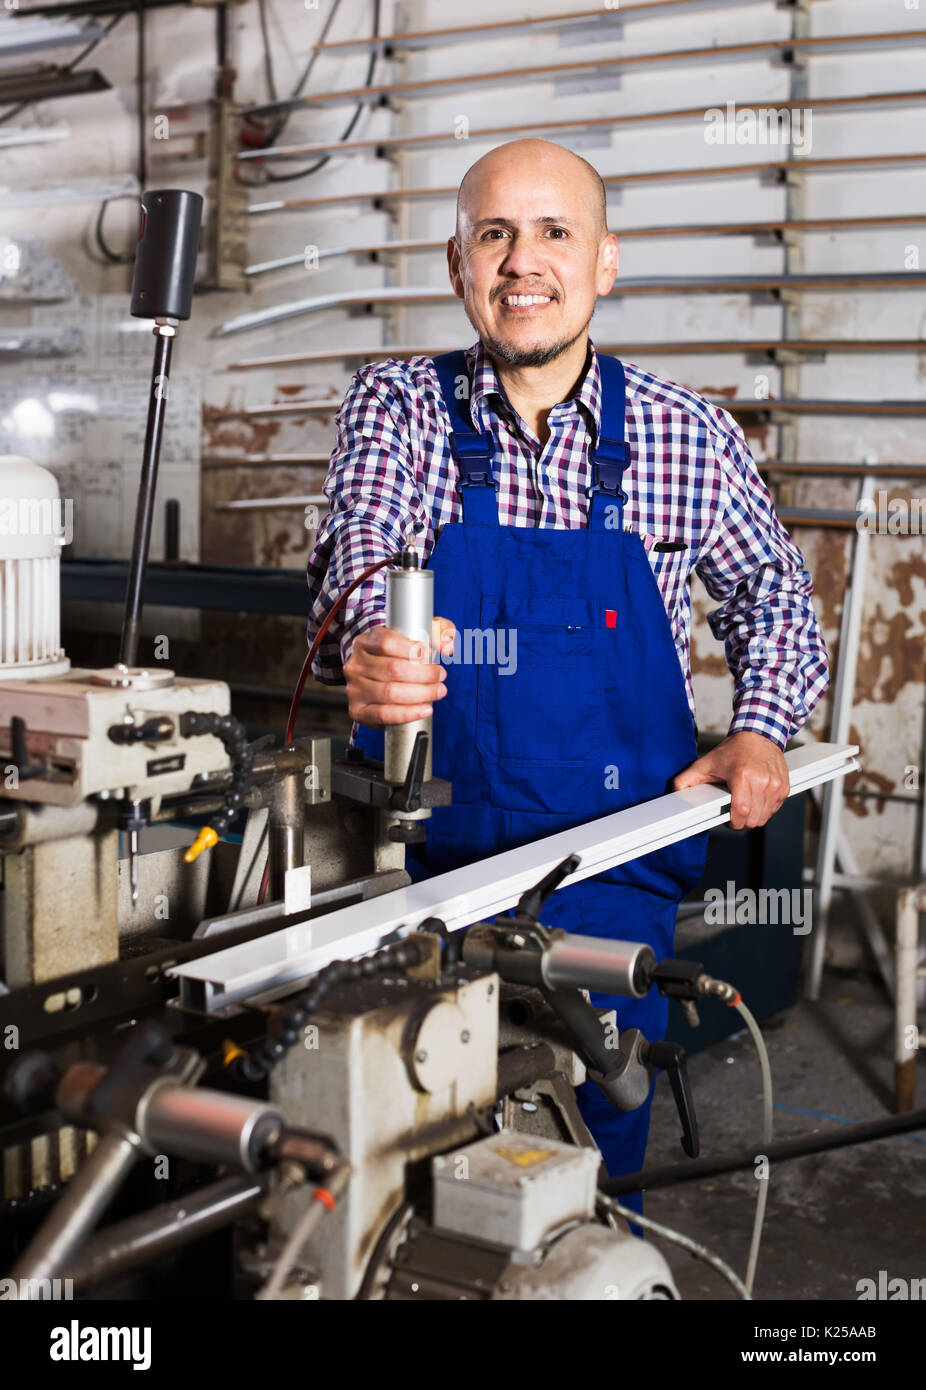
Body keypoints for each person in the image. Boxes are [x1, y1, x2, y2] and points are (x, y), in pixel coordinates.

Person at [306, 138, 829, 1195]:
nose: (520, 261)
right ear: (456, 265)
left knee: (587, 1154)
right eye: (492, 233)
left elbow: (773, 594)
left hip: (609, 875)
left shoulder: (689, 438)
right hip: (418, 868)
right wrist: (373, 641)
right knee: (401, 1155)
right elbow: (360, 543)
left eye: (554, 232)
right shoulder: (396, 408)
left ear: (603, 262)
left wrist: (761, 727)